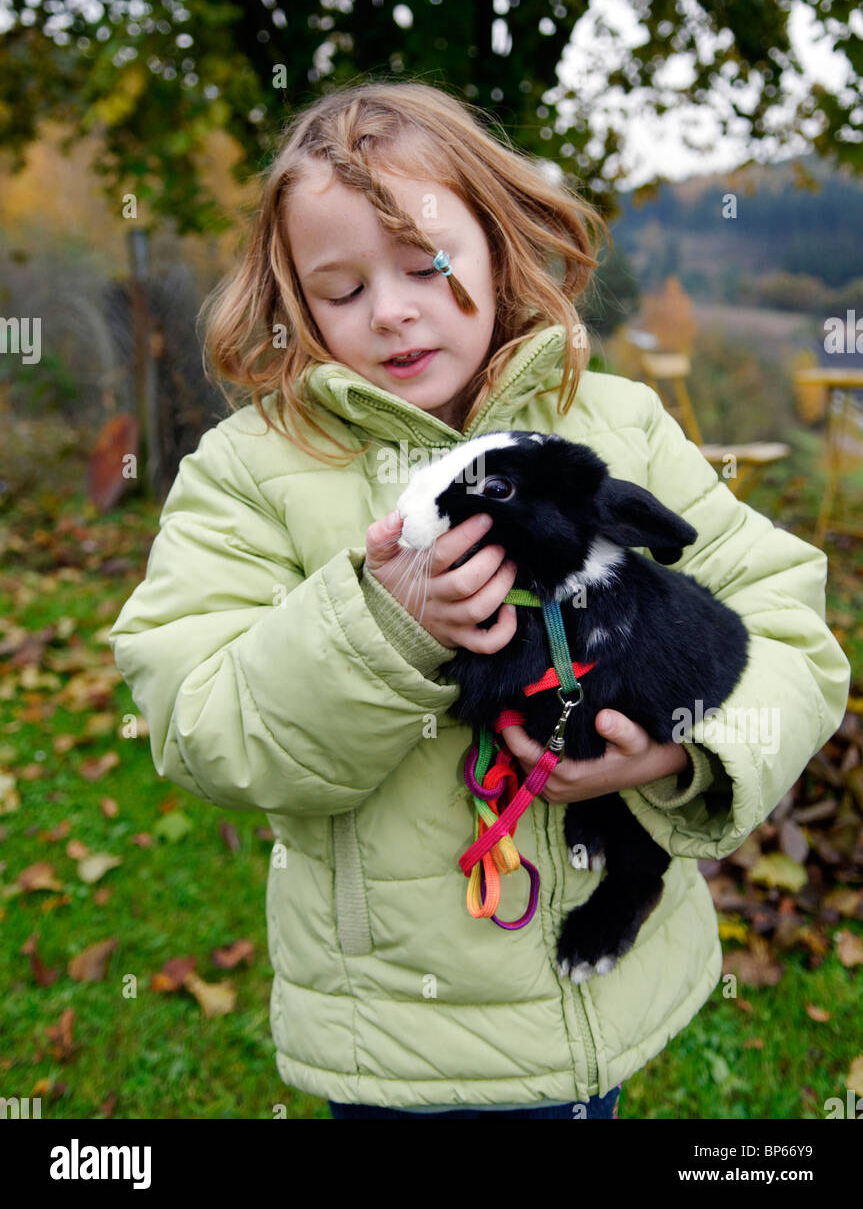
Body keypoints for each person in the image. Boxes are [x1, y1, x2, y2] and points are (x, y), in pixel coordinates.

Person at [109, 80, 851, 1119]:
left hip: (603, 980)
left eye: (426, 264)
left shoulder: (612, 424)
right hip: (399, 1032)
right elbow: (196, 717)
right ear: (292, 302)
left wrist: (685, 750)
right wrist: (381, 625)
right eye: (341, 288)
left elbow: (782, 621)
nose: (391, 309)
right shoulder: (251, 471)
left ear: (499, 246)